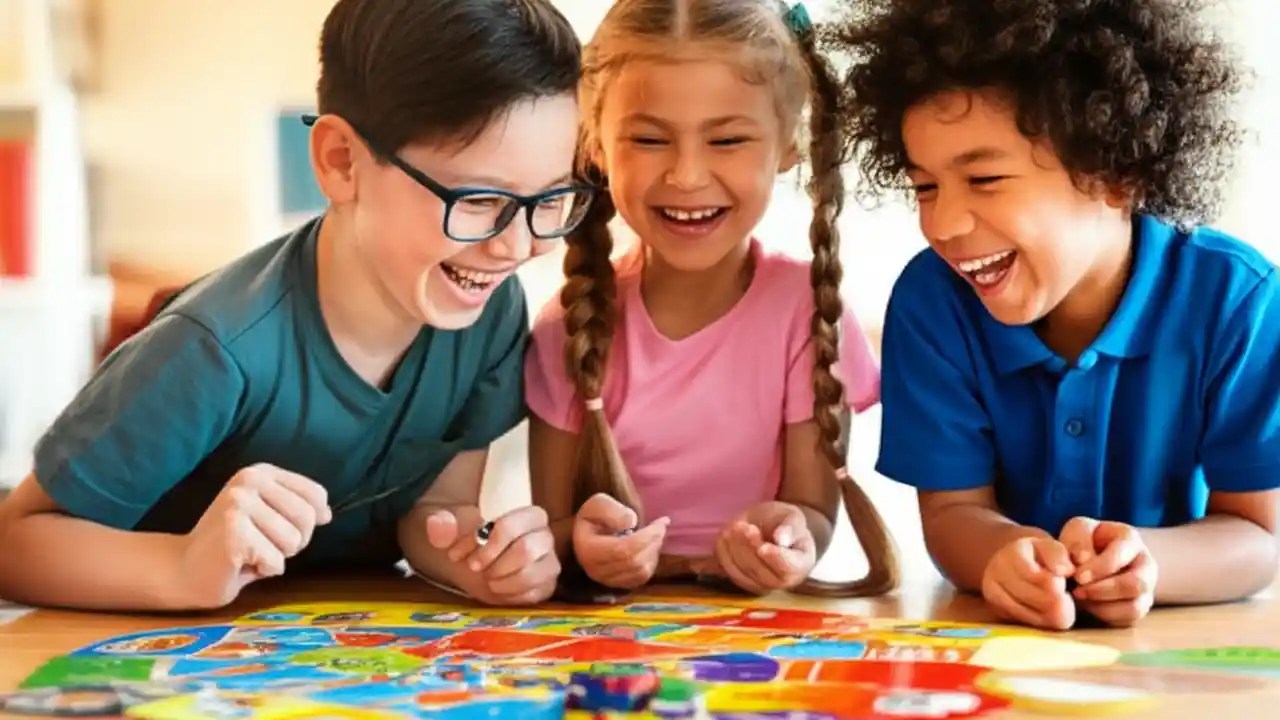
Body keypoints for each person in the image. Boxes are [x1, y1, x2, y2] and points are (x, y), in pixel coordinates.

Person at [0, 0, 592, 611]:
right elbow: (14, 544)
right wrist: (179, 566)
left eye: (550, 201)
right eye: (475, 200)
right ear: (341, 162)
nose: (518, 245)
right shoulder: (212, 351)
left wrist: (477, 557)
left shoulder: (486, 314)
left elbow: (435, 509)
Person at [830, 0, 1280, 628]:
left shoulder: (1238, 300)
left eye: (984, 179)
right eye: (925, 186)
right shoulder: (932, 304)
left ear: (1114, 174)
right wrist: (1001, 556)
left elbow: (1259, 540)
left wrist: (1148, 562)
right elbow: (952, 514)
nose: (942, 224)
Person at [520, 0, 898, 599]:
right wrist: (585, 547)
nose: (688, 175)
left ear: (788, 146)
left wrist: (786, 539)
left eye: (726, 139)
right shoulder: (564, 328)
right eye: (648, 138)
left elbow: (812, 516)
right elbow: (554, 530)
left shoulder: (808, 315)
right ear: (595, 145)